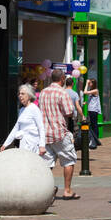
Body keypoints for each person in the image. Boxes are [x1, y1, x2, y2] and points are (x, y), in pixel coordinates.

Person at [38, 68, 79, 200]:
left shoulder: (43, 92)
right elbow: (69, 112)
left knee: (47, 164)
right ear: (62, 79)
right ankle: (67, 190)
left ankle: (46, 190)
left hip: (45, 134)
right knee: (69, 160)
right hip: (60, 132)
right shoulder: (62, 92)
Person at [1, 85, 45, 155]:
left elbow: (41, 127)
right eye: (19, 94)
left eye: (23, 94)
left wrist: (42, 145)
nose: (20, 96)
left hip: (33, 145)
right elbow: (16, 128)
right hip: (23, 144)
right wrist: (5, 144)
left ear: (29, 95)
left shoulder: (34, 109)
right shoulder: (21, 110)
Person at [83, 73, 102, 149]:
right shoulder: (92, 91)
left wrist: (86, 84)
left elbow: (85, 92)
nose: (89, 84)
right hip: (91, 109)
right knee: (92, 124)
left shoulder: (95, 90)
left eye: (90, 83)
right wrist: (86, 102)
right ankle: (94, 138)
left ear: (93, 84)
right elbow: (92, 99)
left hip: (94, 110)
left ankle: (96, 139)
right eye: (89, 83)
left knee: (94, 125)